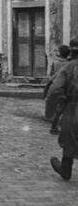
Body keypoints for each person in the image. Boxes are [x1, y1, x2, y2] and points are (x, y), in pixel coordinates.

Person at [46, 36, 78, 181]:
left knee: (69, 139)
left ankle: (65, 169)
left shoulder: (68, 67)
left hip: (73, 108)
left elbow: (55, 90)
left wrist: (50, 111)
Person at [48, 45, 72, 135]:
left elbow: (51, 74)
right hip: (65, 87)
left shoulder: (55, 62)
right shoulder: (69, 64)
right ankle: (58, 127)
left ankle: (54, 126)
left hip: (57, 86)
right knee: (64, 108)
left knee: (59, 108)